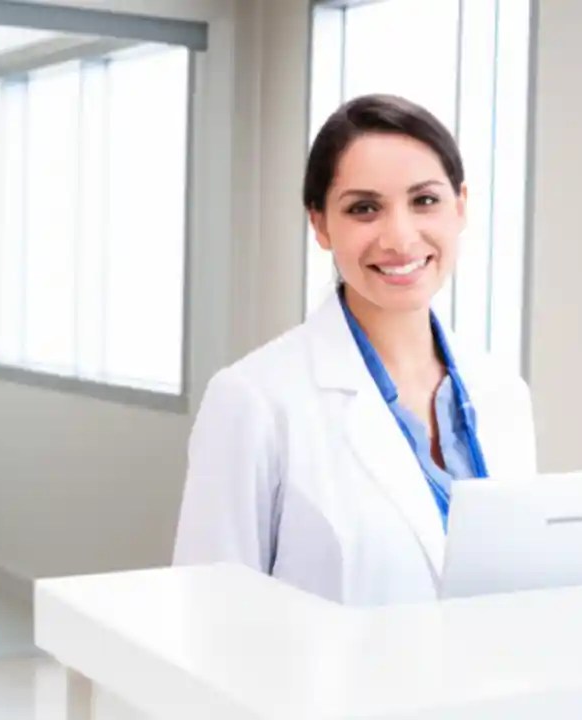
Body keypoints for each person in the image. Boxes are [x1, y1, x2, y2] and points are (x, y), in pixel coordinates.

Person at [172, 94, 537, 606]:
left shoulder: (503, 395)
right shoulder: (253, 400)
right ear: (320, 224)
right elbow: (207, 618)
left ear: (461, 207)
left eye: (424, 201)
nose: (400, 238)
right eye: (364, 208)